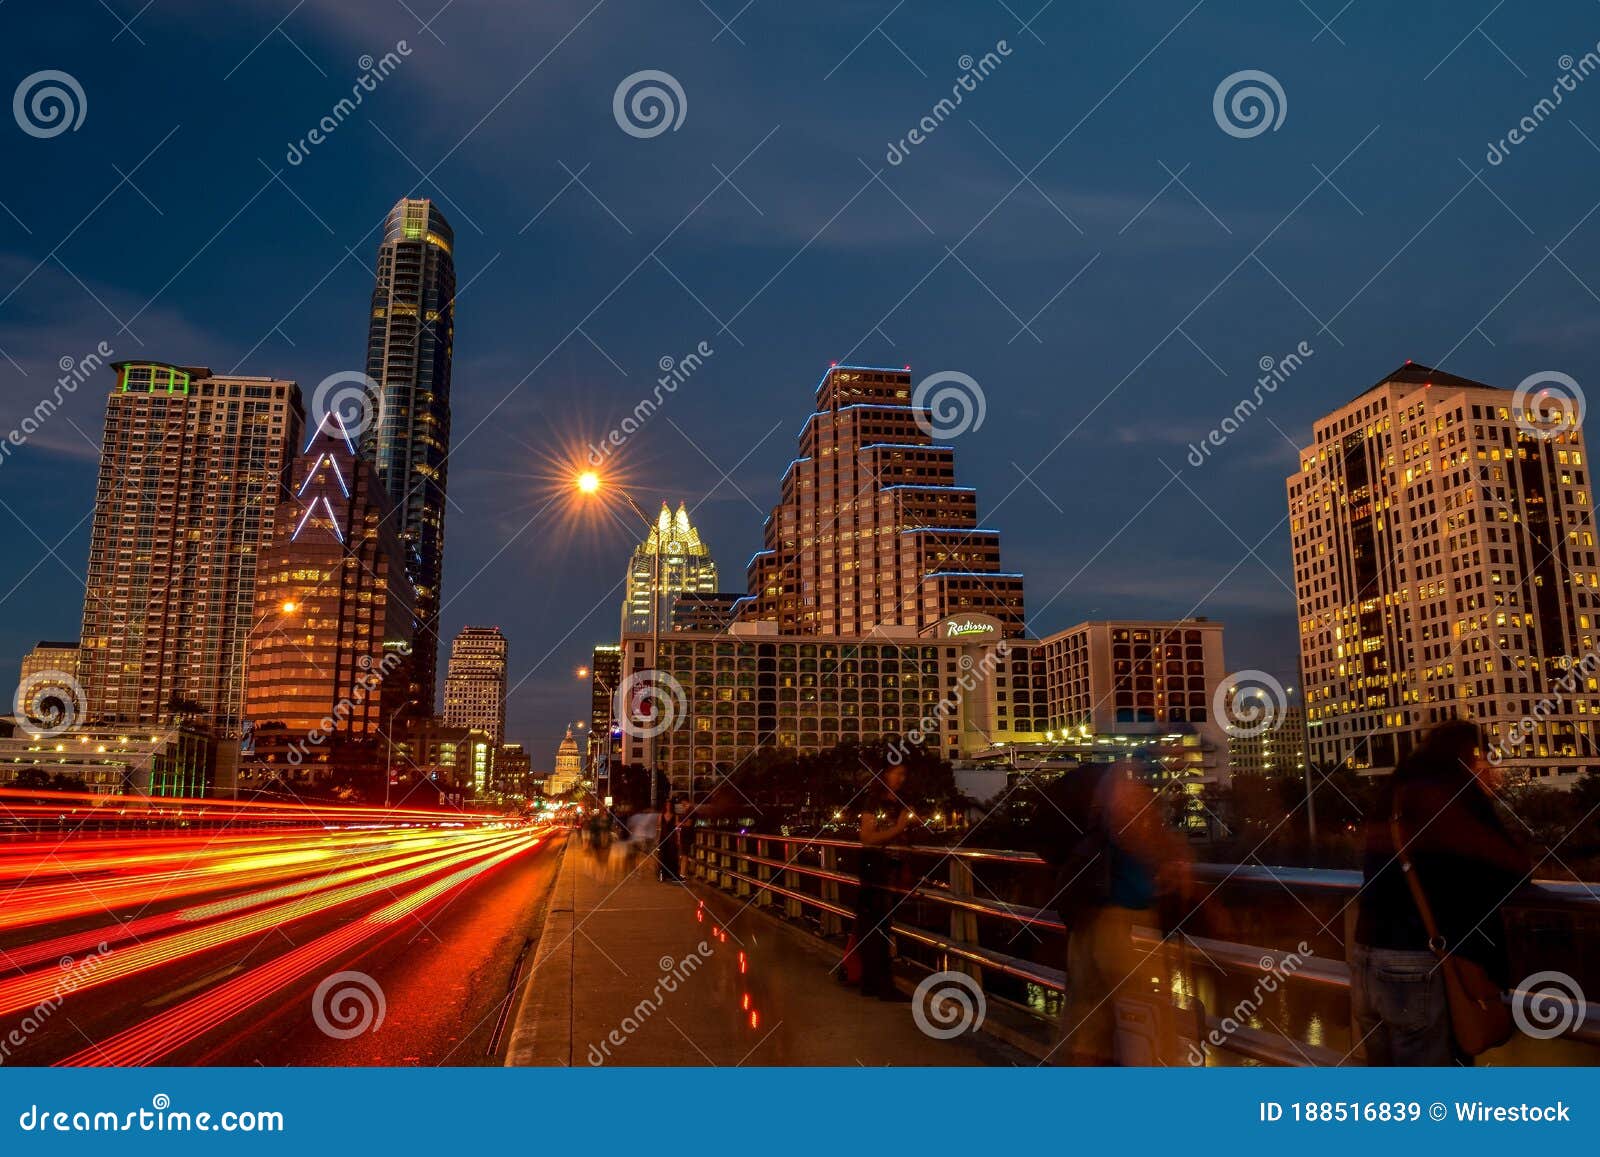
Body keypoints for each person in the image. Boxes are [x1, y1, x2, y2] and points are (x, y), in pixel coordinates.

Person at [1351, 719, 1533, 1065]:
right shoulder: (1450, 793)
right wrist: (1485, 795)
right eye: (1481, 754)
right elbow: (1513, 866)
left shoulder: (1392, 793)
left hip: (1365, 958)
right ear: (1469, 754)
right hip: (1415, 963)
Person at [1048, 761, 1194, 1065]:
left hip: (1088, 920)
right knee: (1149, 1026)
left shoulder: (1109, 777)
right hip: (1123, 925)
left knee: (1085, 1028)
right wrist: (1169, 856)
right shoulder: (1126, 777)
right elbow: (1126, 826)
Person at [851, 764, 915, 1000]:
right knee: (876, 927)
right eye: (896, 773)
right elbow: (867, 839)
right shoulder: (874, 802)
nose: (901, 778)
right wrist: (899, 828)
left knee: (880, 926)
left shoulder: (897, 801)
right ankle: (880, 985)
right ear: (884, 774)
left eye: (903, 773)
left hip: (890, 870)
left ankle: (873, 983)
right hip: (875, 870)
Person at [657, 794, 683, 882]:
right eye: (666, 805)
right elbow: (659, 827)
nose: (668, 806)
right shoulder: (661, 815)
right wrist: (657, 839)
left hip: (672, 838)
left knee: (672, 856)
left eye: (669, 805)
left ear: (671, 806)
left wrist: (678, 838)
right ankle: (662, 875)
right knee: (663, 856)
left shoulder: (675, 816)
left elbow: (677, 828)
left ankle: (673, 875)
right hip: (663, 838)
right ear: (665, 806)